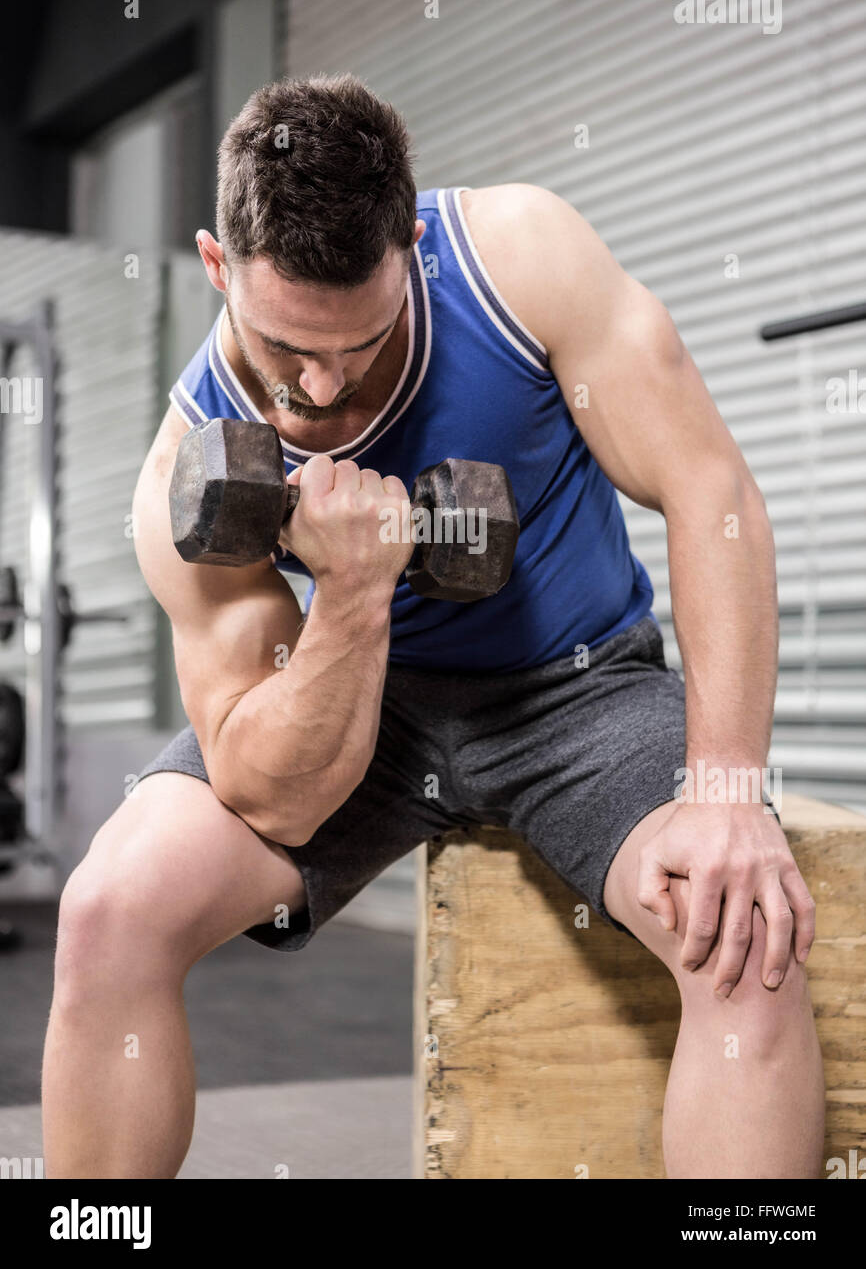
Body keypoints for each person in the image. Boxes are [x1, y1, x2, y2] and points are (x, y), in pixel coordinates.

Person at [42, 73, 823, 1180]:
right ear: (218, 266)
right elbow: (277, 791)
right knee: (109, 910)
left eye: (356, 344)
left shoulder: (518, 261)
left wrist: (726, 787)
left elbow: (714, 497)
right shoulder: (182, 469)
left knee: (741, 933)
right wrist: (355, 592)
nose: (322, 387)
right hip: (358, 709)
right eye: (284, 349)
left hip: (577, 689)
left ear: (407, 244)